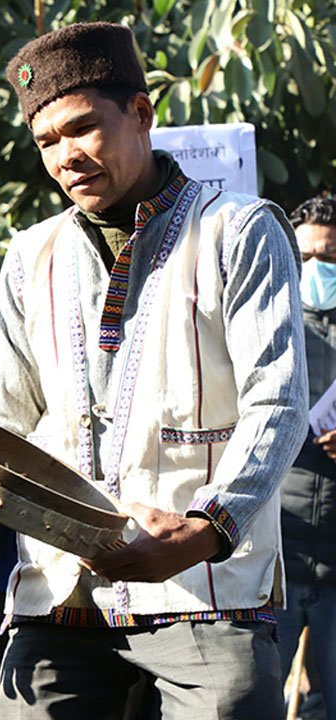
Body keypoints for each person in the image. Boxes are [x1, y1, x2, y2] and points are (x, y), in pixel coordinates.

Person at [0, 23, 307, 719]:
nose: (66, 156)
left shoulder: (238, 232)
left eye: (83, 128)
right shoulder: (34, 257)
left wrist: (204, 530)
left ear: (142, 113)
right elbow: (4, 426)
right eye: (47, 142)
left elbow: (277, 404)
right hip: (61, 595)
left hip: (207, 591)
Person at [279, 195, 336, 719]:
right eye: (307, 259)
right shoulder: (271, 329)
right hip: (277, 557)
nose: (319, 270)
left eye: (331, 259)